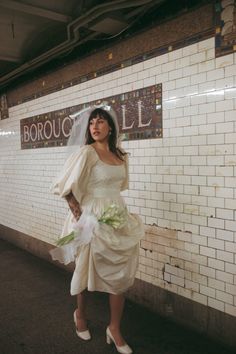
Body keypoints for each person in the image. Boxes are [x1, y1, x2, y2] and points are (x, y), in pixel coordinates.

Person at [50, 105, 144, 354]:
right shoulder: (86, 153)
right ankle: (80, 314)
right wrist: (80, 217)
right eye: (92, 123)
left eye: (101, 122)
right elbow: (66, 189)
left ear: (110, 127)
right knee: (85, 267)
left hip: (116, 215)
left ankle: (114, 328)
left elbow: (120, 186)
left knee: (120, 273)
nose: (95, 126)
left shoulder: (120, 155)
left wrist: (114, 211)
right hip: (90, 218)